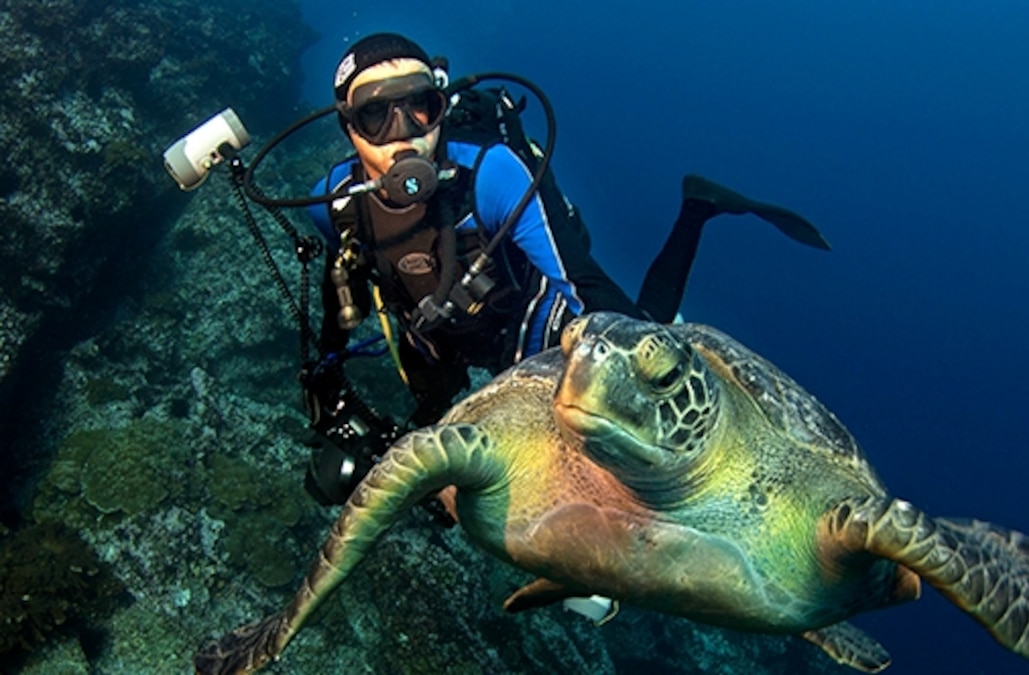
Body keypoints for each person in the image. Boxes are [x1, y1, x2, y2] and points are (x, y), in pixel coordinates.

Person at [299, 33, 828, 506]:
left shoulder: (493, 174)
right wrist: (327, 377)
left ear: (441, 109)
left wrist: (651, 370)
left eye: (422, 108)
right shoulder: (337, 202)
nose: (403, 133)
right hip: (437, 336)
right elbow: (341, 284)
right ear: (349, 129)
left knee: (644, 332)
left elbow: (585, 284)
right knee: (429, 416)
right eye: (376, 114)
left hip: (532, 323)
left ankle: (697, 209)